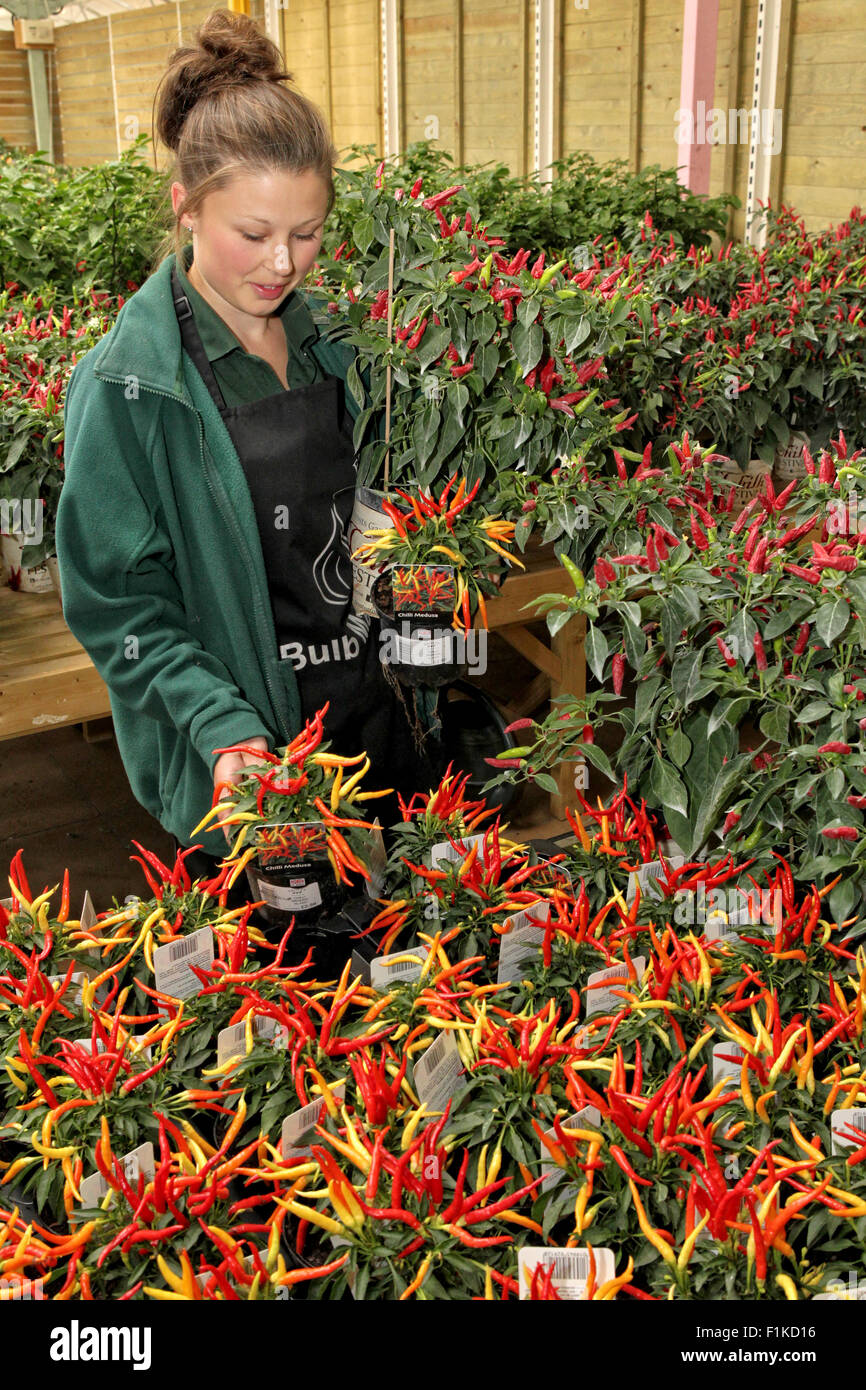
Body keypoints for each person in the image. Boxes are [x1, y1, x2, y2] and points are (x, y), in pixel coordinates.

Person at [56, 9, 436, 929]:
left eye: (307, 235)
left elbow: (347, 510)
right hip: (248, 758)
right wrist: (220, 727)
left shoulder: (327, 346)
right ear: (186, 203)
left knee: (396, 983)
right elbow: (116, 600)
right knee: (282, 1017)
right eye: (254, 232)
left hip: (366, 721)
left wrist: (396, 547)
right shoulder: (132, 385)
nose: (282, 264)